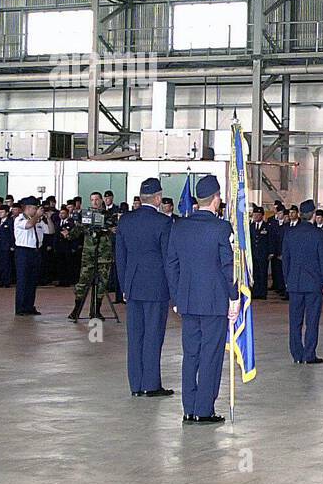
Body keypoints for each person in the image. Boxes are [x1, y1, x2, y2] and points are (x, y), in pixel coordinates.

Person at [165, 174, 236, 424]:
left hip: (187, 301)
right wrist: (234, 297)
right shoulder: (221, 228)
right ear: (216, 199)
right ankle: (204, 410)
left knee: (191, 354)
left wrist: (176, 296)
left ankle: (188, 408)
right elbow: (229, 266)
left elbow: (171, 264)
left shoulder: (179, 226)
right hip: (215, 302)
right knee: (211, 354)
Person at [116, 178, 175, 398]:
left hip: (132, 285)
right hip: (156, 287)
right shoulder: (164, 222)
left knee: (135, 336)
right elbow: (169, 258)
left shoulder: (126, 221)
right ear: (158, 198)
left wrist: (123, 285)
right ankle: (151, 384)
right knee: (153, 335)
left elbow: (120, 257)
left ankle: (136, 384)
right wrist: (173, 290)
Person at [283, 199, 323, 363]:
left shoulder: (290, 233)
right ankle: (309, 354)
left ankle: (297, 354)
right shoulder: (319, 234)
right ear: (313, 214)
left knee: (295, 321)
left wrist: (287, 280)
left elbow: (286, 260)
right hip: (313, 284)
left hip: (294, 284)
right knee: (312, 321)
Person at [67, 192, 115, 321]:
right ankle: (76, 310)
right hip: (89, 254)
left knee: (101, 283)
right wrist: (68, 234)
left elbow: (113, 228)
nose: (94, 202)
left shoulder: (109, 215)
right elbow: (76, 231)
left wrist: (108, 229)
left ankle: (96, 311)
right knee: (83, 282)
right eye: (92, 200)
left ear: (101, 201)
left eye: (97, 199)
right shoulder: (85, 216)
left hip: (104, 255)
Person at [13, 196, 44, 316]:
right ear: (28, 208)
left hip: (35, 251)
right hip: (23, 252)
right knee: (23, 280)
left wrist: (44, 219)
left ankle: (29, 306)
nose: (37, 210)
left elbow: (49, 231)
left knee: (32, 280)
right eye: (35, 208)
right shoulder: (19, 219)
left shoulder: (37, 220)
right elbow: (29, 225)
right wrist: (37, 216)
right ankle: (21, 307)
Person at [249, 205, 271, 299]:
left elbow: (271, 240)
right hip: (253, 254)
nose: (256, 216)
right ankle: (255, 292)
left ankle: (262, 293)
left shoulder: (267, 227)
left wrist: (271, 252)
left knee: (263, 274)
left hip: (263, 254)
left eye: (258, 215)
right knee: (255, 274)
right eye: (254, 214)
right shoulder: (251, 226)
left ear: (262, 215)